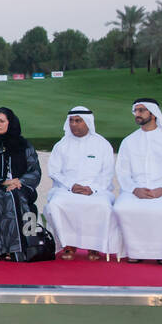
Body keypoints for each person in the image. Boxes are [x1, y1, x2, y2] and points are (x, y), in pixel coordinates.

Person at [113, 98, 162, 265]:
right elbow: (122, 171)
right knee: (121, 207)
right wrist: (135, 189)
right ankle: (134, 251)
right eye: (136, 111)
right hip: (136, 190)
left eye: (141, 110)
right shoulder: (129, 141)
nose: (137, 114)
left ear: (153, 113)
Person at [44, 106, 116, 261]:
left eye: (78, 120)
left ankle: (94, 247)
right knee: (56, 204)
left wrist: (92, 189)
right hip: (66, 189)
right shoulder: (62, 145)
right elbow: (55, 172)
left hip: (96, 190)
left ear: (88, 122)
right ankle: (68, 244)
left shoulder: (102, 144)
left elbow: (107, 173)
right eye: (71, 120)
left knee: (102, 206)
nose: (74, 124)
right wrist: (72, 185)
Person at [0, 106, 42, 261]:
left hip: (21, 187)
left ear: (10, 123)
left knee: (14, 197)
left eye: (2, 121)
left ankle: (21, 247)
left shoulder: (25, 145)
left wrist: (20, 181)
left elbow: (35, 171)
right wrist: (3, 182)